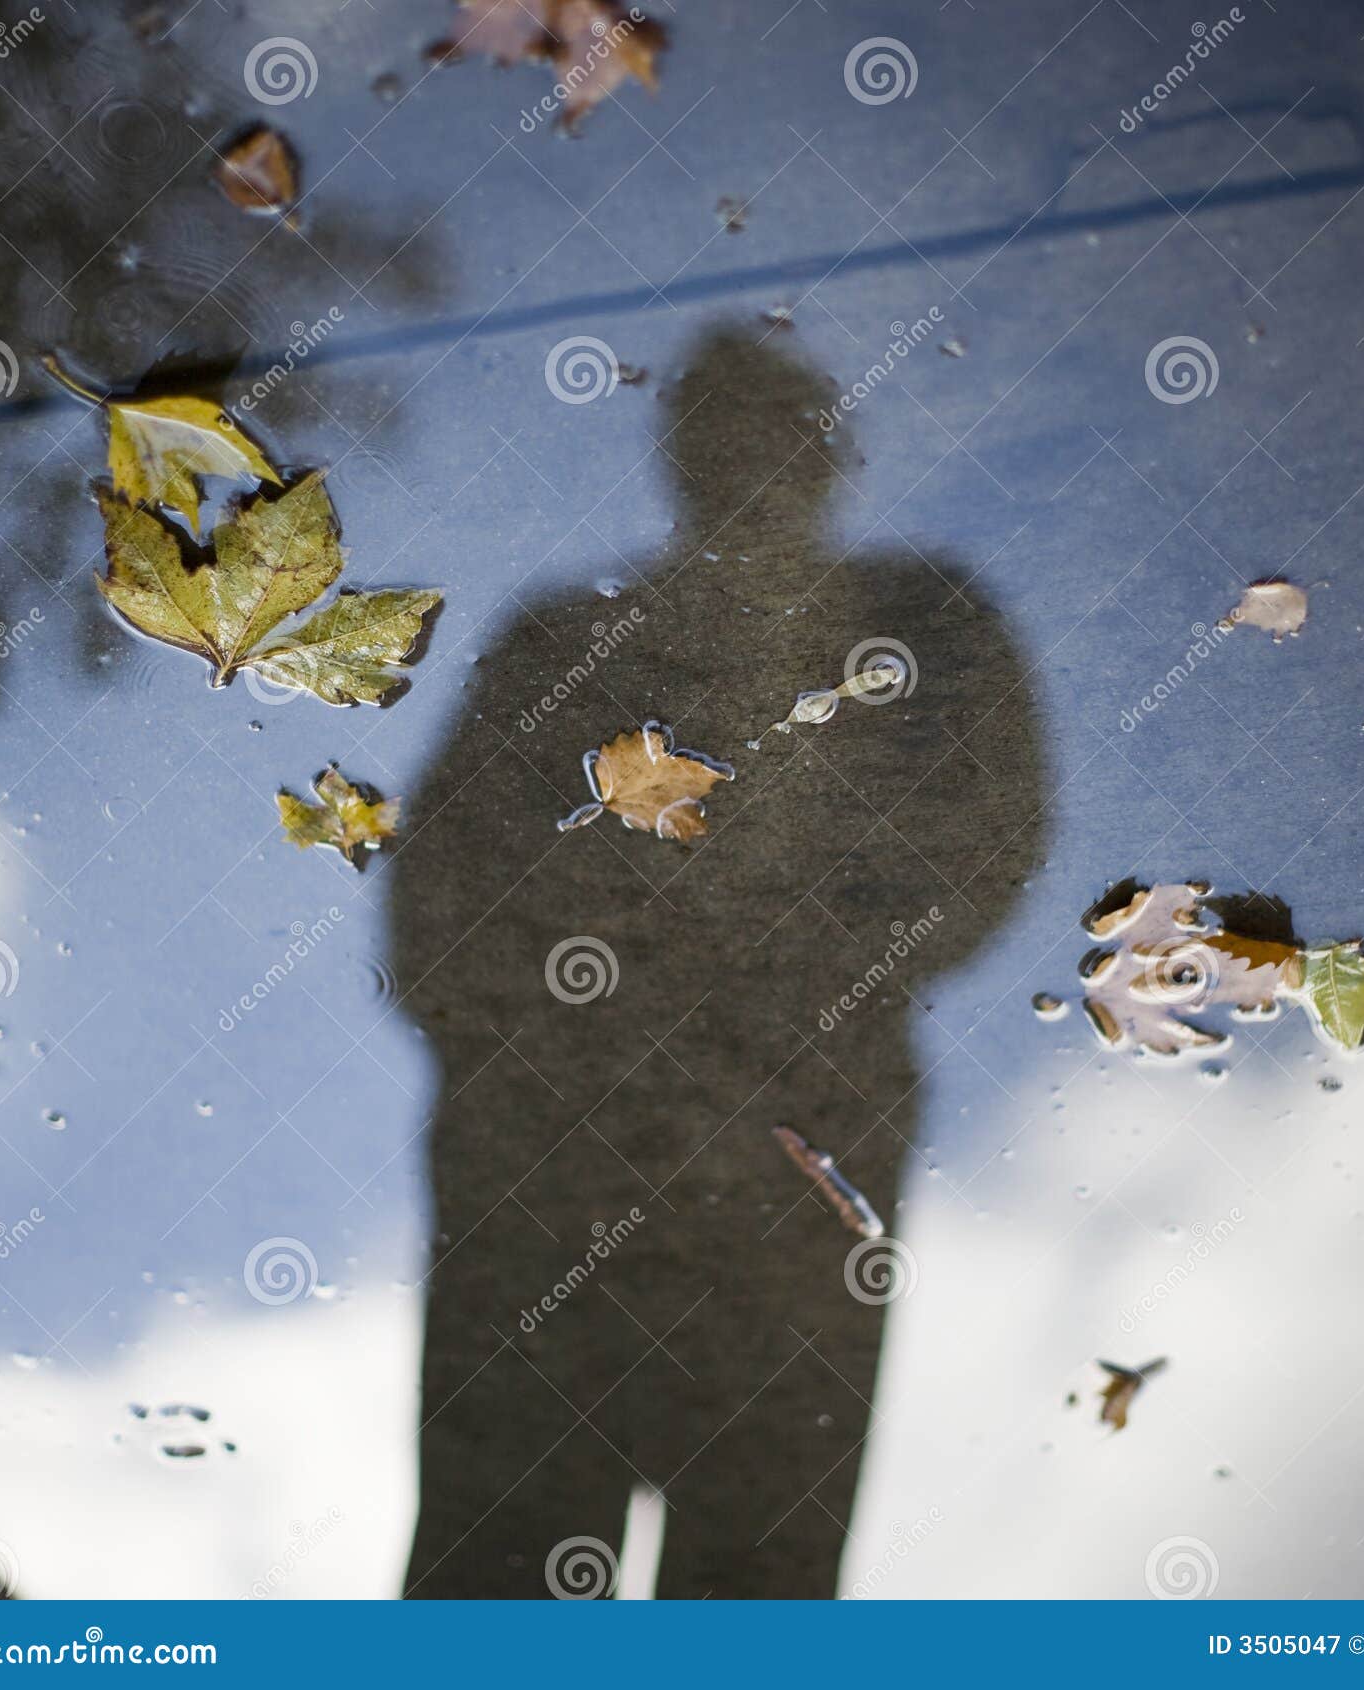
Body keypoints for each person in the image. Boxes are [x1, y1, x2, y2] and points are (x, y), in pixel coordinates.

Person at [391, 327, 1047, 1598]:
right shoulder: (558, 646)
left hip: (784, 1178)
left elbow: (987, 843)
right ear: (677, 454)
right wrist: (556, 1056)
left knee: (752, 1576)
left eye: (780, 429)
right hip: (547, 1175)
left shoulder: (922, 632)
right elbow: (442, 912)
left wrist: (781, 1000)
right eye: (722, 430)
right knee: (493, 1564)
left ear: (829, 454)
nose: (751, 463)